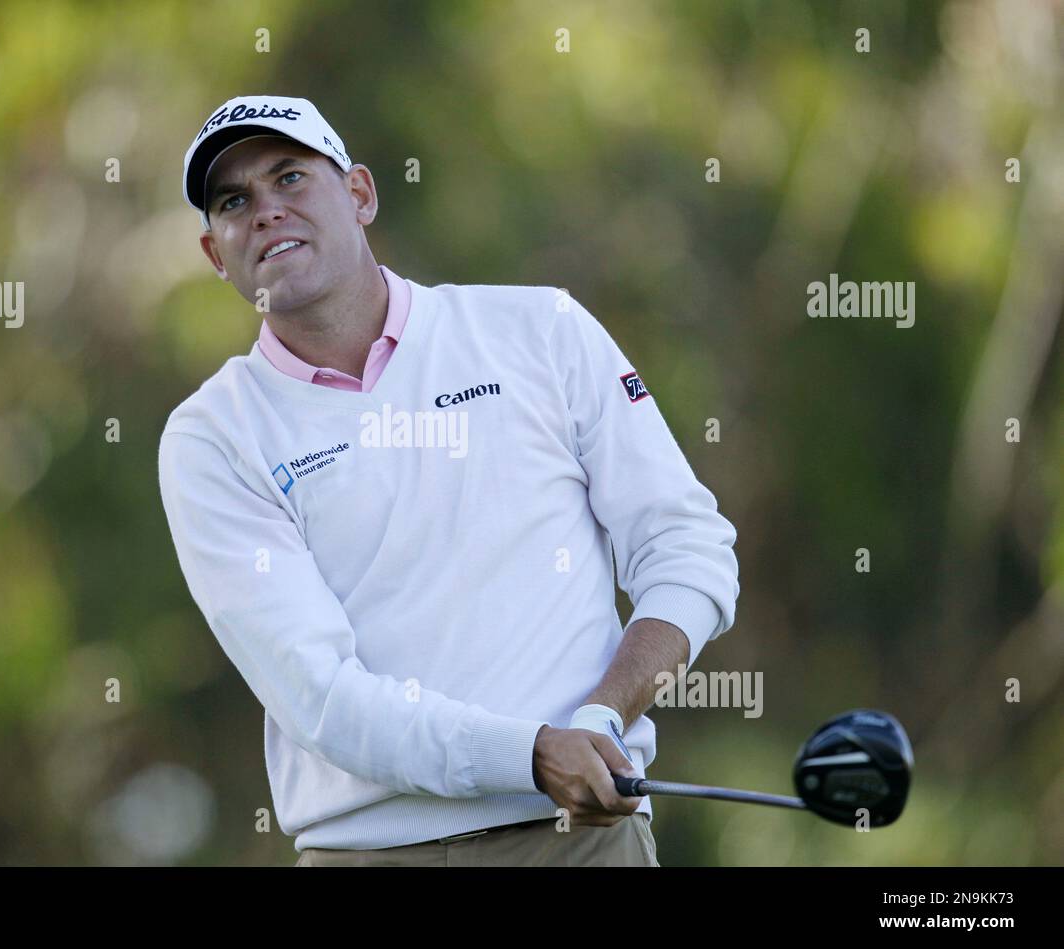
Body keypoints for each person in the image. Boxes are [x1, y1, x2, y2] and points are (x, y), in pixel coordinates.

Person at [158, 94, 740, 866]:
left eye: (291, 177)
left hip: (581, 848)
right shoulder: (213, 435)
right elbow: (322, 697)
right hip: (368, 854)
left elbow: (687, 550)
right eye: (235, 201)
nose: (266, 211)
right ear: (214, 253)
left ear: (360, 194)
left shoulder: (541, 331)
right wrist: (530, 755)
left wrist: (604, 716)